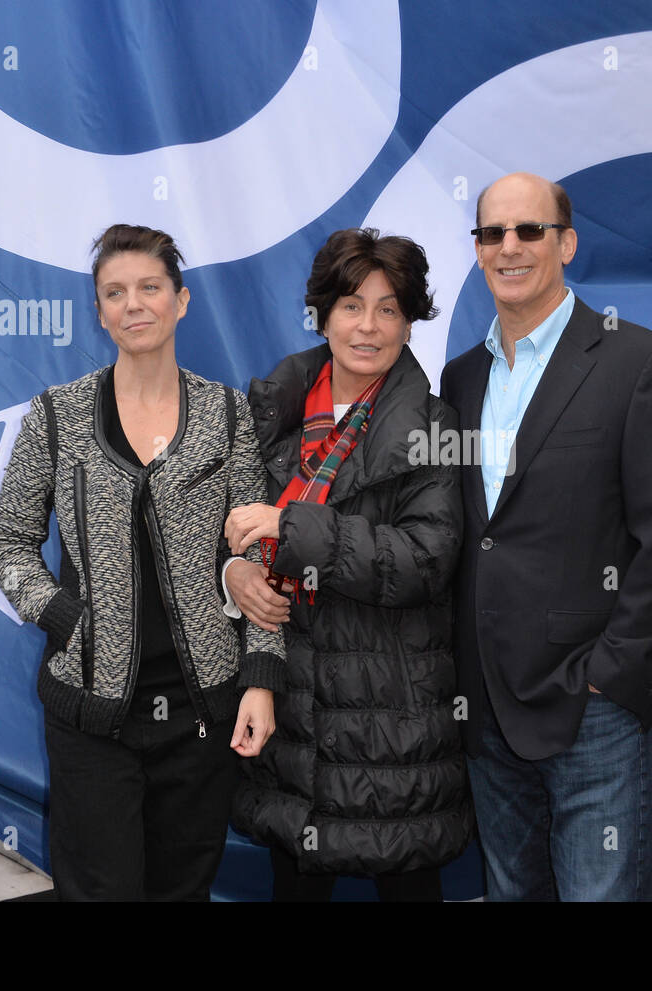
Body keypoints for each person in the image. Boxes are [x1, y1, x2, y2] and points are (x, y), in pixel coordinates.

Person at [0, 224, 284, 901]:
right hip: (91, 716)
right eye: (115, 293)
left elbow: (259, 552)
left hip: (202, 712)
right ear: (99, 312)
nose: (134, 304)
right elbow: (7, 539)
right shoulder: (55, 416)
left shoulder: (228, 414)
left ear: (181, 299)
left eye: (150, 287)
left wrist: (261, 678)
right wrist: (63, 616)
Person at [438, 172, 652, 901]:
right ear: (478, 249)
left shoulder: (637, 362)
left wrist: (608, 675)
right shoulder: (460, 379)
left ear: (567, 244)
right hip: (488, 707)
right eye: (493, 233)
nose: (510, 247)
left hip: (594, 711)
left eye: (530, 230)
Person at [224, 227, 472, 901]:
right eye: (351, 306)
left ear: (410, 323)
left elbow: (424, 560)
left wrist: (292, 526)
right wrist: (234, 573)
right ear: (323, 315)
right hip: (291, 708)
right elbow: (225, 531)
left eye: (388, 309)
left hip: (394, 723)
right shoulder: (268, 413)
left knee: (407, 879)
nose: (368, 326)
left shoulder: (435, 426)